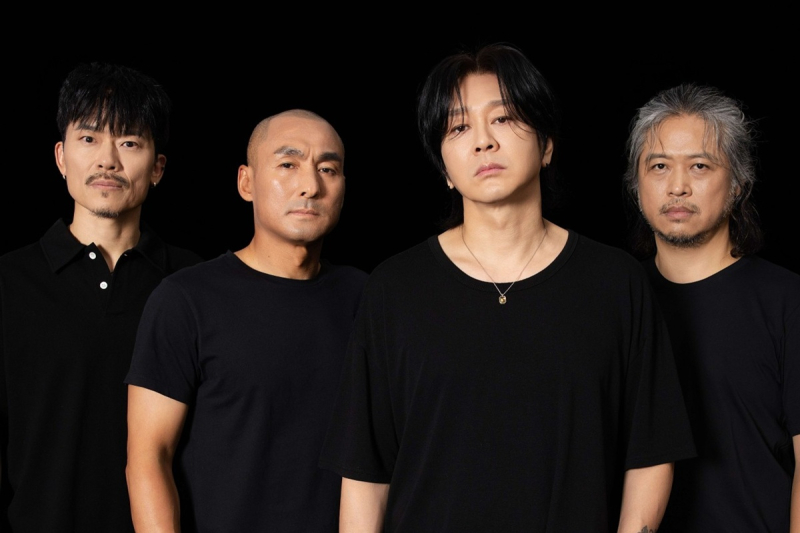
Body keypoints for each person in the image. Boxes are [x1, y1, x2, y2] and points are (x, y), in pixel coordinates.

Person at [318, 42, 696, 532]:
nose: (483, 141)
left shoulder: (615, 281)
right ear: (443, 167)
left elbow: (651, 451)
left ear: (547, 144)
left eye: (503, 118)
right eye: (459, 127)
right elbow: (366, 475)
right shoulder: (394, 289)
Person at [124, 108, 368, 532]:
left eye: (328, 169)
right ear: (246, 182)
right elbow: (148, 459)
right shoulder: (185, 300)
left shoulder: (368, 299)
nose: (311, 186)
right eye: (288, 164)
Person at [0, 62, 203, 532]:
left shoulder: (195, 283)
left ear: (158, 167)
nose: (107, 160)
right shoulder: (9, 280)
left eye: (129, 142)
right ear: (61, 156)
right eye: (89, 138)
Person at [622, 83, 800, 532]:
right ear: (636, 185)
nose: (677, 186)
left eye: (699, 166)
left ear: (738, 184)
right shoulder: (614, 299)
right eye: (659, 166)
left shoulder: (787, 301)